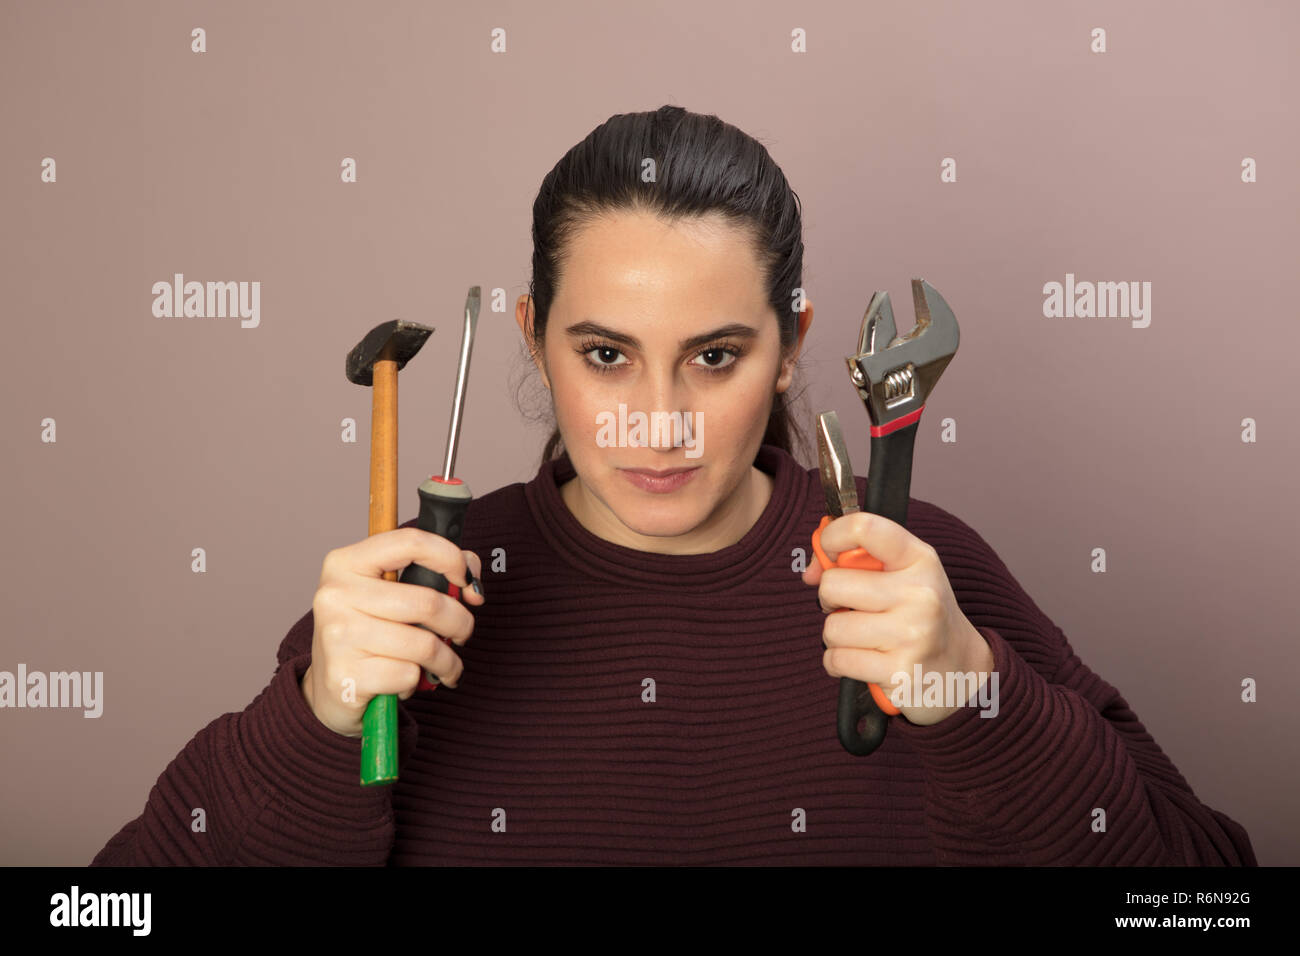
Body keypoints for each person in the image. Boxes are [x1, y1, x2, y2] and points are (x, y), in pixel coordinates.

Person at [91, 105, 1256, 866]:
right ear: (534, 332)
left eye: (714, 355)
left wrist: (974, 693)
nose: (658, 417)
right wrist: (314, 723)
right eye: (605, 355)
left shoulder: (911, 565)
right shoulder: (415, 595)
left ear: (791, 341)